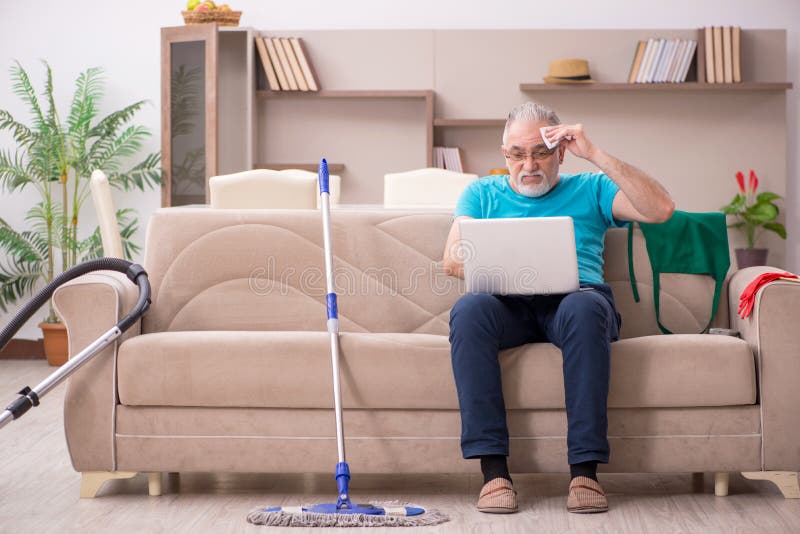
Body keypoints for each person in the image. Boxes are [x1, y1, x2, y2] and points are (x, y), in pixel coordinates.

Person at [442, 101, 675, 514]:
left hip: (576, 300)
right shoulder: (481, 193)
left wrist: (595, 153)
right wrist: (507, 266)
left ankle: (585, 473)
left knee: (586, 309)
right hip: (506, 304)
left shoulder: (591, 188)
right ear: (504, 155)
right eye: (517, 154)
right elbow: (452, 260)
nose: (529, 165)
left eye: (541, 152)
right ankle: (494, 474)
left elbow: (660, 210)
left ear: (561, 152)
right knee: (468, 310)